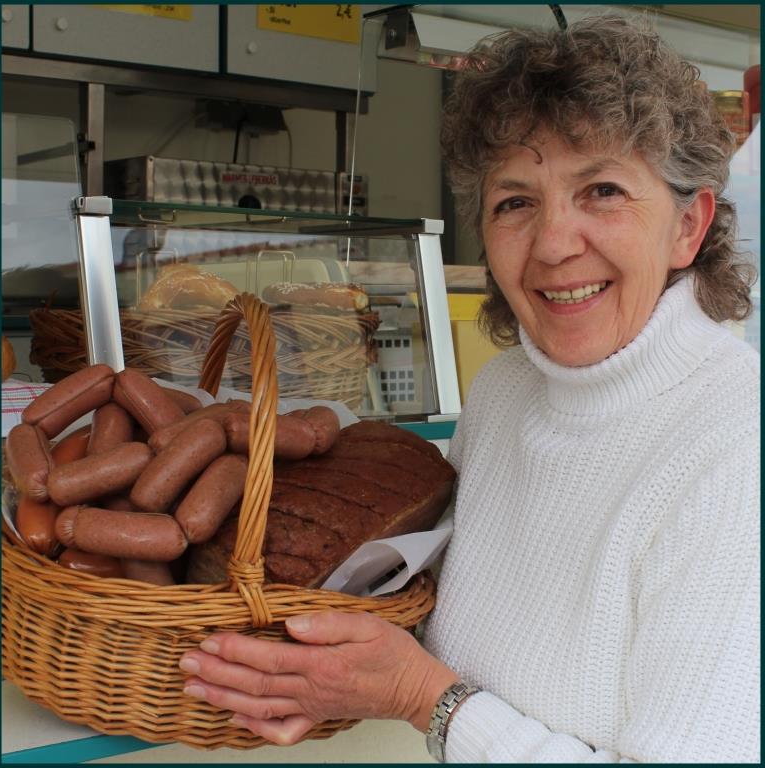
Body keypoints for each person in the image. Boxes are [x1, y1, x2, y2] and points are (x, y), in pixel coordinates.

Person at [178, 14, 760, 763]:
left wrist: (425, 700)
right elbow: (455, 619)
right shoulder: (505, 391)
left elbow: (435, 689)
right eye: (515, 202)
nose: (553, 243)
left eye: (604, 190)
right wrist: (324, 671)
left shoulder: (736, 444)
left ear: (688, 226)